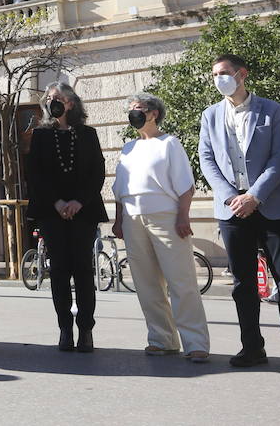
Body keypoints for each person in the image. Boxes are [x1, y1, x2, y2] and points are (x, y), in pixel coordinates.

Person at [198, 54, 280, 373]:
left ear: (241, 74)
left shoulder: (271, 110)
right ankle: (252, 347)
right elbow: (206, 159)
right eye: (214, 74)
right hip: (231, 210)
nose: (219, 78)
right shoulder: (210, 115)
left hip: (272, 207)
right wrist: (229, 197)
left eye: (224, 73)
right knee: (243, 283)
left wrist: (254, 195)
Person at [112, 93, 210, 362]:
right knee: (146, 283)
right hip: (132, 218)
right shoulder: (128, 148)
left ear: (154, 113)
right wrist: (119, 220)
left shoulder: (169, 143)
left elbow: (185, 186)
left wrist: (183, 217)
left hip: (165, 216)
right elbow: (120, 190)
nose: (134, 112)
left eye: (139, 108)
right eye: (131, 109)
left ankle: (195, 343)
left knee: (181, 281)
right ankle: (161, 339)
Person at [27, 82, 106, 352]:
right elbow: (35, 175)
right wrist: (58, 202)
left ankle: (86, 329)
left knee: (83, 271)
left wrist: (78, 201)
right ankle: (64, 328)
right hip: (52, 212)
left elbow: (97, 173)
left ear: (71, 102)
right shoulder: (40, 135)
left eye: (58, 98)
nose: (53, 102)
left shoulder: (88, 134)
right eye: (49, 98)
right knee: (59, 271)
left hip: (83, 211)